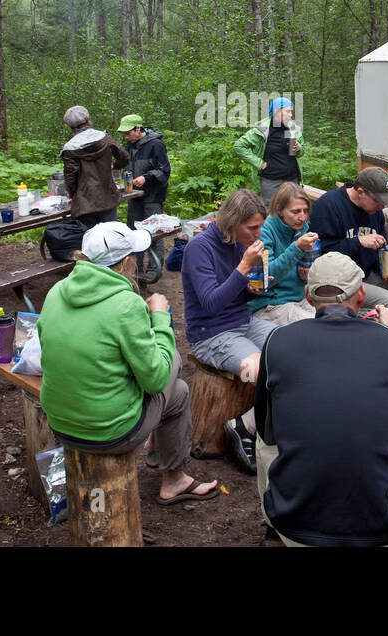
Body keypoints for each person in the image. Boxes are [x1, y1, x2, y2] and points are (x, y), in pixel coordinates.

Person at [253, 252, 388, 547]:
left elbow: (266, 429)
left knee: (266, 438)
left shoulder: (277, 342)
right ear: (362, 295)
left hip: (296, 527)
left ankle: (275, 529)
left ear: (308, 297)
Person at [37, 222, 220, 505]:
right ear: (127, 262)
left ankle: (160, 448)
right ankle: (173, 478)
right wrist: (160, 318)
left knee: (172, 384)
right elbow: (156, 380)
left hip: (61, 423)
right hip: (109, 431)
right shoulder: (126, 304)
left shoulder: (56, 291)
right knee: (177, 383)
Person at [180, 188, 276, 471]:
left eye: (260, 226)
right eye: (253, 227)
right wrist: (244, 268)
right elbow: (210, 304)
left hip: (244, 322)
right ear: (233, 221)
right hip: (211, 335)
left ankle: (248, 422)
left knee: (292, 347)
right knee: (259, 371)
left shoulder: (238, 243)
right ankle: (246, 429)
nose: (258, 234)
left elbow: (234, 295)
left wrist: (252, 289)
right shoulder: (199, 248)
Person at [308, 167, 388, 341]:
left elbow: (380, 249)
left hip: (370, 274)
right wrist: (358, 242)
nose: (381, 206)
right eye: (378, 201)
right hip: (341, 282)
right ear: (361, 192)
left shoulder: (375, 212)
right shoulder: (328, 206)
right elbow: (322, 254)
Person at [249, 182, 319, 327]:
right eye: (296, 211)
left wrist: (308, 273)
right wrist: (297, 248)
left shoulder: (301, 229)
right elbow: (265, 279)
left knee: (333, 318)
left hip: (300, 298)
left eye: (305, 211)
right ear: (279, 210)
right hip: (271, 304)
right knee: (318, 327)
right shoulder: (264, 231)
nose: (302, 217)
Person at [118, 113, 171, 274]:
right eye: (124, 134)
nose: (126, 137)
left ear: (138, 128)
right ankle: (136, 267)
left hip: (153, 196)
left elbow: (165, 171)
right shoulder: (130, 146)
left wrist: (146, 178)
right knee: (133, 231)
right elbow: (127, 167)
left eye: (128, 133)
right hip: (134, 196)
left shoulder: (156, 145)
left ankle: (155, 269)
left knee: (154, 232)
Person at [60, 105, 129, 228]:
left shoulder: (70, 148)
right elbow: (124, 158)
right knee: (111, 237)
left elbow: (70, 179)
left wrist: (72, 192)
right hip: (108, 197)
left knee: (90, 240)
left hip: (85, 203)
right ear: (88, 120)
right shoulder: (104, 138)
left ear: (71, 127)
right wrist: (114, 165)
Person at [234, 97, 303, 204]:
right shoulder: (262, 130)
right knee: (270, 212)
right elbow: (239, 146)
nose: (291, 115)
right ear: (276, 111)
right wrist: (260, 164)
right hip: (271, 182)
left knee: (293, 210)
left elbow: (300, 152)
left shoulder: (292, 128)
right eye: (287, 111)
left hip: (292, 180)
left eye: (291, 112)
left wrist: (299, 149)